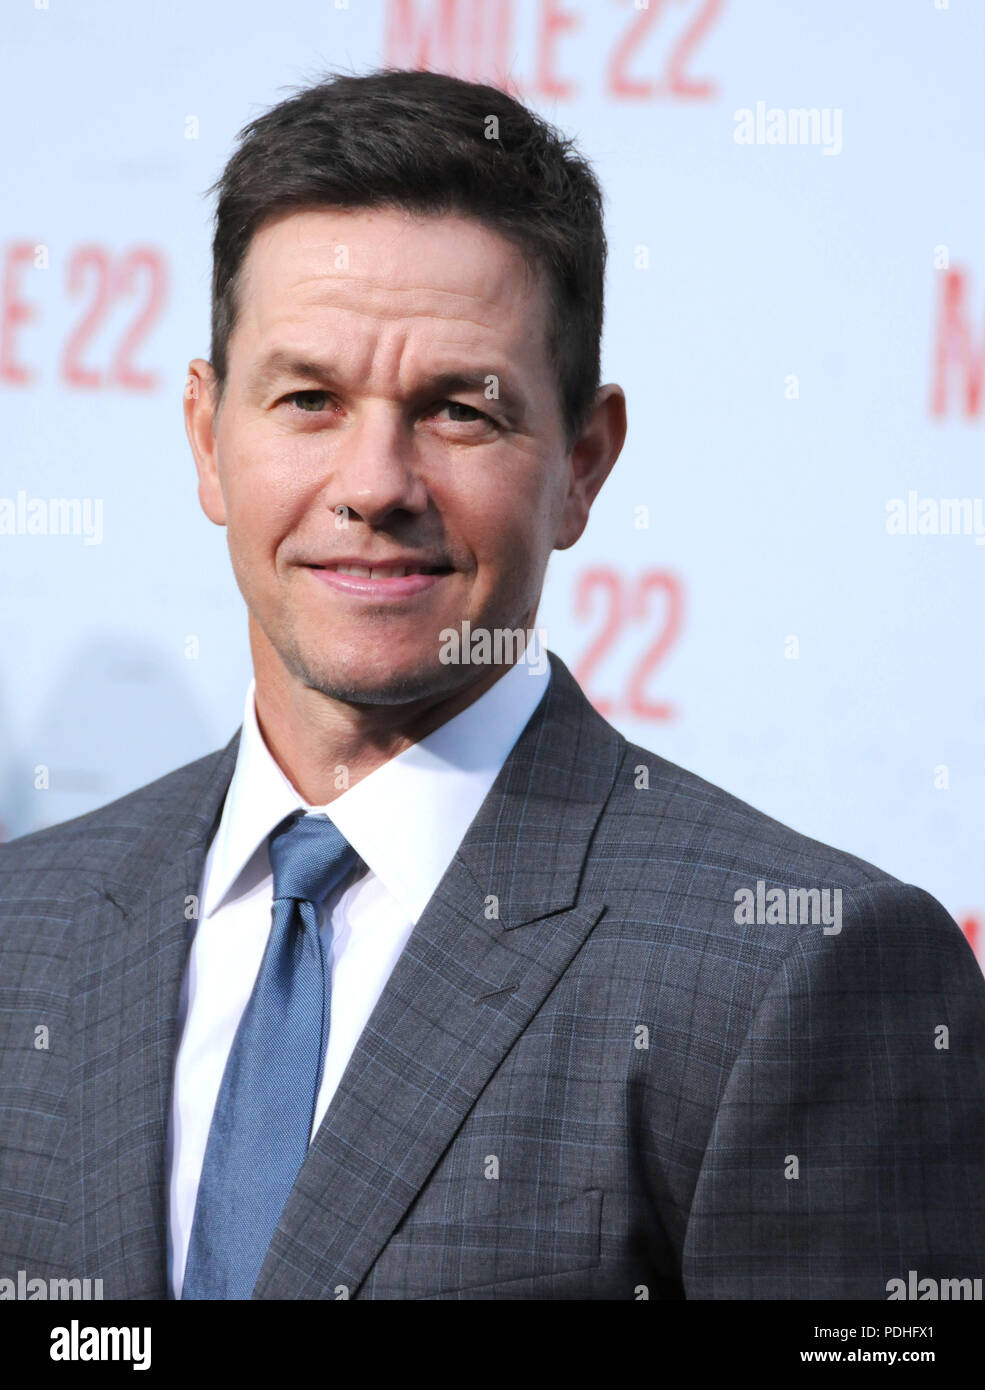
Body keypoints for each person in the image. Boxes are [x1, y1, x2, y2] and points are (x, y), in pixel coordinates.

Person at [1, 67, 982, 1302]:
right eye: (307, 399)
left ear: (583, 461)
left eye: (458, 411)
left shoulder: (800, 974)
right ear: (206, 437)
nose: (375, 483)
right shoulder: (22, 931)